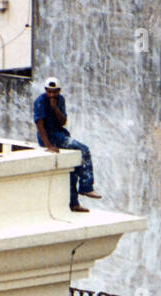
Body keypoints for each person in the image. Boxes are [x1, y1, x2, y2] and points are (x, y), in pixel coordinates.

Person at [33, 77, 101, 213]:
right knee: (84, 149)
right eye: (50, 92)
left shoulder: (61, 100)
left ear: (59, 91)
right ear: (46, 90)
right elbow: (40, 125)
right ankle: (87, 187)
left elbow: (63, 121)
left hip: (60, 133)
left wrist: (55, 108)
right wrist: (48, 145)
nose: (52, 95)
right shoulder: (40, 101)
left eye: (55, 92)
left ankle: (73, 203)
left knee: (73, 169)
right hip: (49, 136)